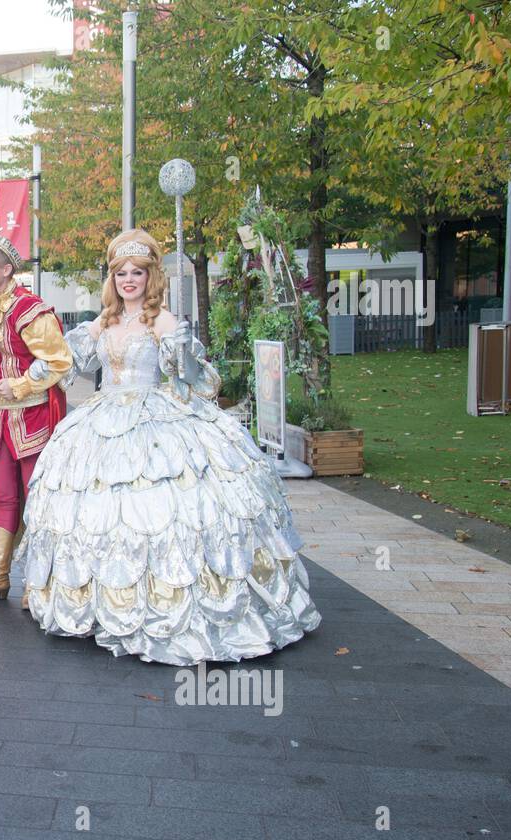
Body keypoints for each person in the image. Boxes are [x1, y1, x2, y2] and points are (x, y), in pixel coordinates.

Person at [20, 229, 320, 664]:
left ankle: (179, 603)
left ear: (150, 276)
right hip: (102, 421)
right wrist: (20, 373)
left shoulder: (163, 322)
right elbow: (63, 363)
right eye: (120, 273)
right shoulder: (99, 324)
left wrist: (180, 352)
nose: (128, 280)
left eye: (137, 273)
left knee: (171, 507)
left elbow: (192, 379)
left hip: (157, 417)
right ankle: (98, 600)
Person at [0, 234, 70, 608]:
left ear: (7, 270)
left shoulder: (30, 310)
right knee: (5, 499)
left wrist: (19, 384)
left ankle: (37, 584)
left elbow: (59, 361)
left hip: (33, 418)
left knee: (36, 501)